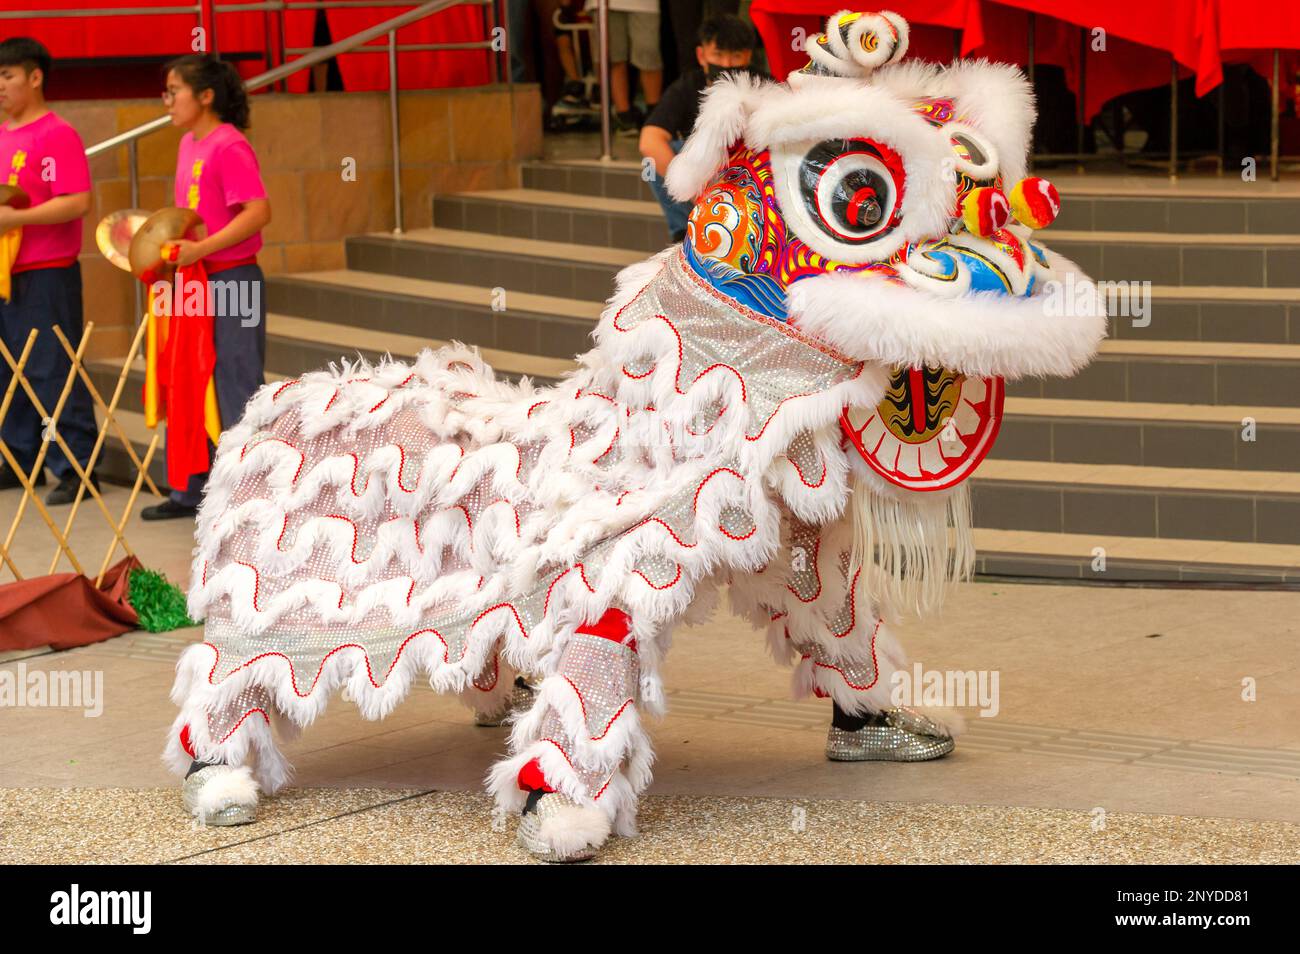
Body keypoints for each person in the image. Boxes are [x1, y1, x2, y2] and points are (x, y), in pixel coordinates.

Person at [140, 54, 270, 521]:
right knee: (189, 380)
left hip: (234, 278)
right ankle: (191, 490)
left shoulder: (228, 145)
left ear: (206, 95)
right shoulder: (188, 145)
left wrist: (201, 249)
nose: (167, 100)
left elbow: (258, 212)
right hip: (194, 279)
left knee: (236, 381)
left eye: (174, 90)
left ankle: (245, 495)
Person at [0, 37, 99, 507]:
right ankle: (19, 460)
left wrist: (17, 218)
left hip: (46, 271)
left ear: (35, 77)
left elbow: (77, 202)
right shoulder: (2, 135)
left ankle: (76, 466)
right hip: (5, 269)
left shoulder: (56, 134)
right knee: (8, 371)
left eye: (7, 76)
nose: (0, 87)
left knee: (52, 370)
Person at [639, 14, 758, 242]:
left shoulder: (761, 85)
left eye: (735, 56)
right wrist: (698, 192)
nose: (725, 64)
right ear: (701, 55)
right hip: (702, 180)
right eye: (718, 55)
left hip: (746, 173)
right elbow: (649, 140)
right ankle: (683, 233)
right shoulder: (686, 87)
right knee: (651, 163)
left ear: (748, 56)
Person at [584, 0, 662, 134]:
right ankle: (624, 116)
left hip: (645, 4)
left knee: (648, 52)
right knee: (614, 57)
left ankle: (655, 115)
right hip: (605, 4)